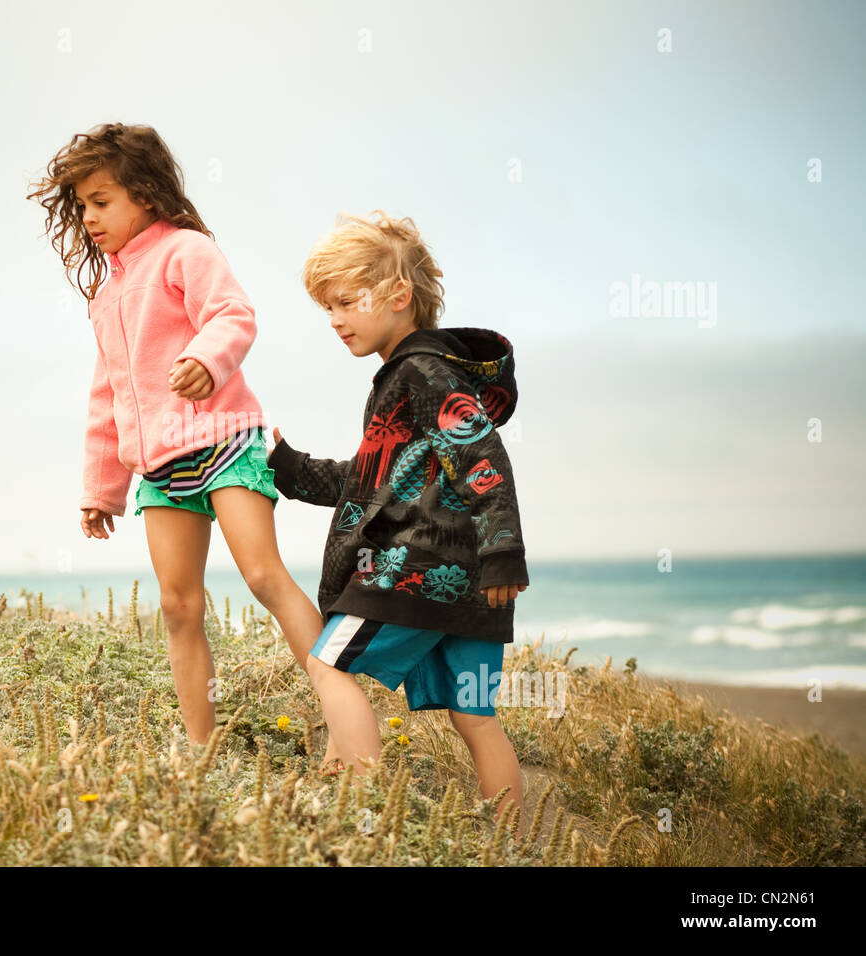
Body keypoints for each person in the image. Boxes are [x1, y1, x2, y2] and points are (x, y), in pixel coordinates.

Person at [27, 122, 338, 765]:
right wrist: (101, 490)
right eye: (81, 205)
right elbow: (107, 397)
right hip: (162, 466)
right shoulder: (105, 294)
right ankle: (202, 750)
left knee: (261, 575)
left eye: (101, 201)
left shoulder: (185, 251)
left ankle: (345, 715)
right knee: (176, 604)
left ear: (144, 192)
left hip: (225, 437)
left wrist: (205, 359)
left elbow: (233, 314)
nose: (88, 217)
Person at [268, 210, 530, 821]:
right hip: (470, 585)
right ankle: (514, 845)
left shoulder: (420, 373)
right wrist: (286, 464)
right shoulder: (418, 376)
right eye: (326, 308)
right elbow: (369, 483)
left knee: (326, 663)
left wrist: (505, 549)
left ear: (398, 296)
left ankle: (359, 813)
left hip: (414, 568)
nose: (334, 320)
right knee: (475, 715)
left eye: (346, 302)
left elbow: (481, 454)